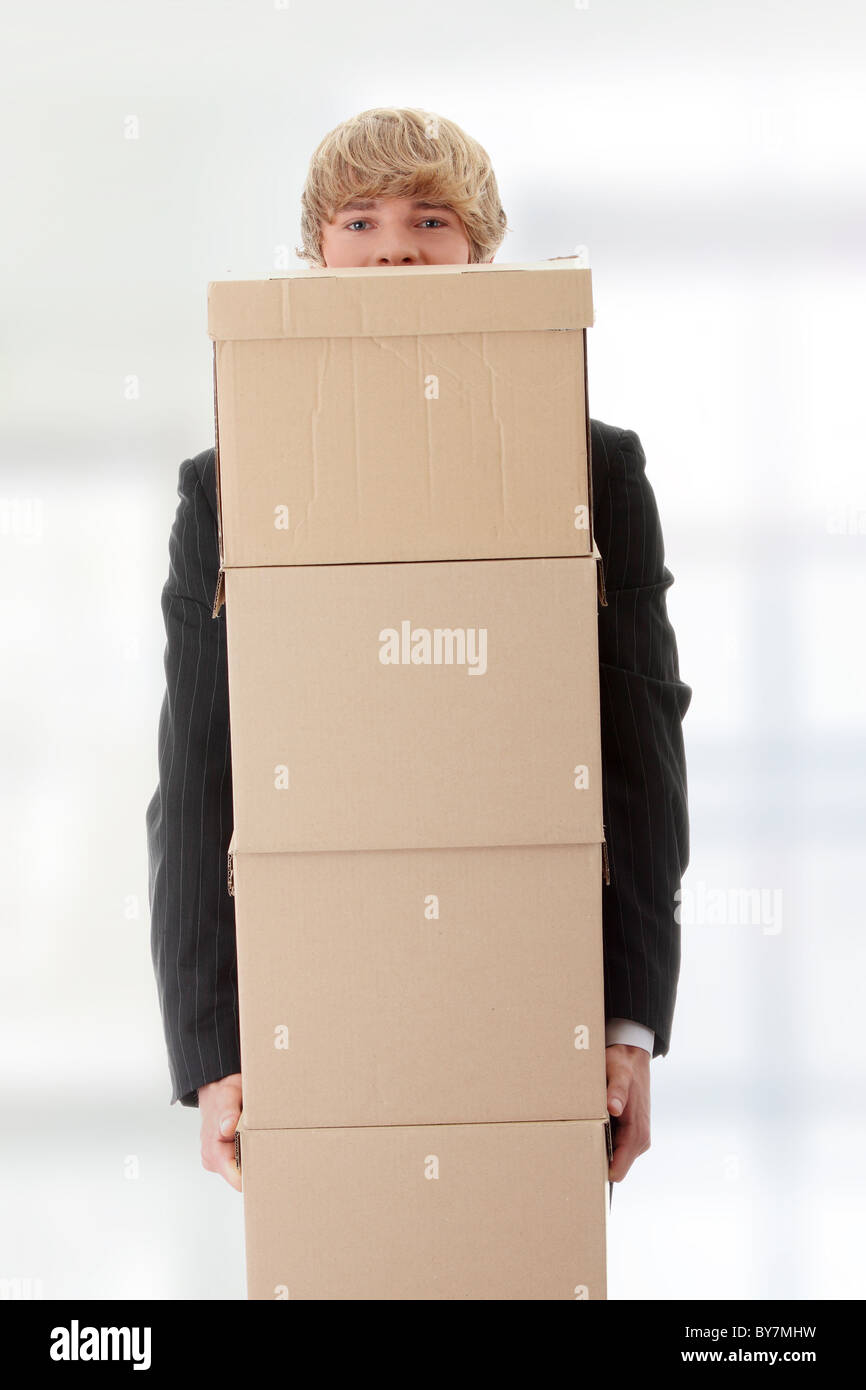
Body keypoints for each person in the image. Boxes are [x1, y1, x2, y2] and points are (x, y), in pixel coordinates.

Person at [146, 106, 692, 1195]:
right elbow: (197, 772)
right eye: (360, 219)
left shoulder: (594, 468)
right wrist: (212, 1052)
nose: (393, 243)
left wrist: (625, 1024)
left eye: (428, 217)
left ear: (480, 252)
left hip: (526, 976)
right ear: (318, 252)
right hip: (321, 977)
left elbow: (639, 751)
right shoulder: (233, 482)